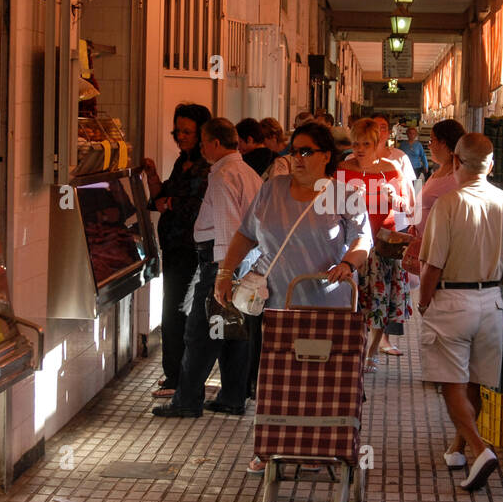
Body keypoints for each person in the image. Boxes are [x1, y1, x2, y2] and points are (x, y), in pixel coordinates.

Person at [215, 122, 373, 473]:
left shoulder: (344, 194)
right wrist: (225, 273)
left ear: (326, 156)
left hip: (328, 303)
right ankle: (268, 445)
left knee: (322, 378)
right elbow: (245, 235)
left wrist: (348, 263)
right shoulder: (272, 189)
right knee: (275, 376)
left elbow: (364, 240)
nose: (297, 158)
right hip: (276, 303)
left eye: (306, 152)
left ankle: (320, 444)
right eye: (293, 151)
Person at [417, 134, 503, 492]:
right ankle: (458, 448)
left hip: (452, 301)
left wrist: (423, 300)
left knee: (452, 385)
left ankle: (480, 450)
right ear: (490, 165)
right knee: (475, 381)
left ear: (457, 163)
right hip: (492, 303)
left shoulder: (449, 204)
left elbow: (433, 265)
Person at [152, 118, 263, 418]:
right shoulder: (248, 172)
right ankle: (232, 397)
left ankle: (186, 401)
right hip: (244, 262)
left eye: (203, 141)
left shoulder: (224, 175)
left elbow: (228, 225)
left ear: (215, 143)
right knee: (233, 331)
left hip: (220, 263)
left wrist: (224, 273)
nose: (200, 147)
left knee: (200, 332)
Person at [142, 102, 212, 398]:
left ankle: (179, 379)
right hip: (173, 248)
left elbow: (199, 205)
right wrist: (153, 176)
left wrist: (169, 204)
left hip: (191, 250)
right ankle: (174, 373)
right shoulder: (182, 162)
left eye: (187, 132)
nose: (181, 136)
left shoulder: (206, 167)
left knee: (179, 313)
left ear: (202, 134)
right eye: (177, 131)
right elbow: (166, 192)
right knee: (171, 310)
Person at [341, 118, 411, 369]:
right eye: (356, 143)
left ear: (377, 142)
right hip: (351, 245)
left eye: (366, 144)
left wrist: (395, 198)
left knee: (380, 300)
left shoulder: (391, 169)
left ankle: (373, 350)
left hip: (382, 244)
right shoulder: (343, 168)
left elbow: (406, 208)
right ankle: (356, 348)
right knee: (354, 301)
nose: (359, 149)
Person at [415, 119, 465, 235]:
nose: (429, 145)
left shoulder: (456, 177)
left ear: (443, 143)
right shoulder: (440, 171)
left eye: (432, 140)